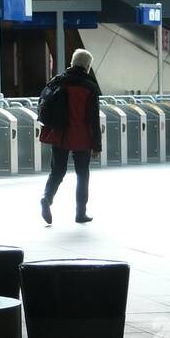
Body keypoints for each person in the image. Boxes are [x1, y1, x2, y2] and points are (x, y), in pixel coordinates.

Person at [38, 48, 101, 225]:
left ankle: (46, 198)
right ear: (87, 66)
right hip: (81, 137)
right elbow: (93, 118)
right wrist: (97, 145)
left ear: (73, 63)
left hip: (59, 134)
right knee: (82, 174)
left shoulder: (58, 81)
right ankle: (80, 213)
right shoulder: (89, 87)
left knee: (57, 171)